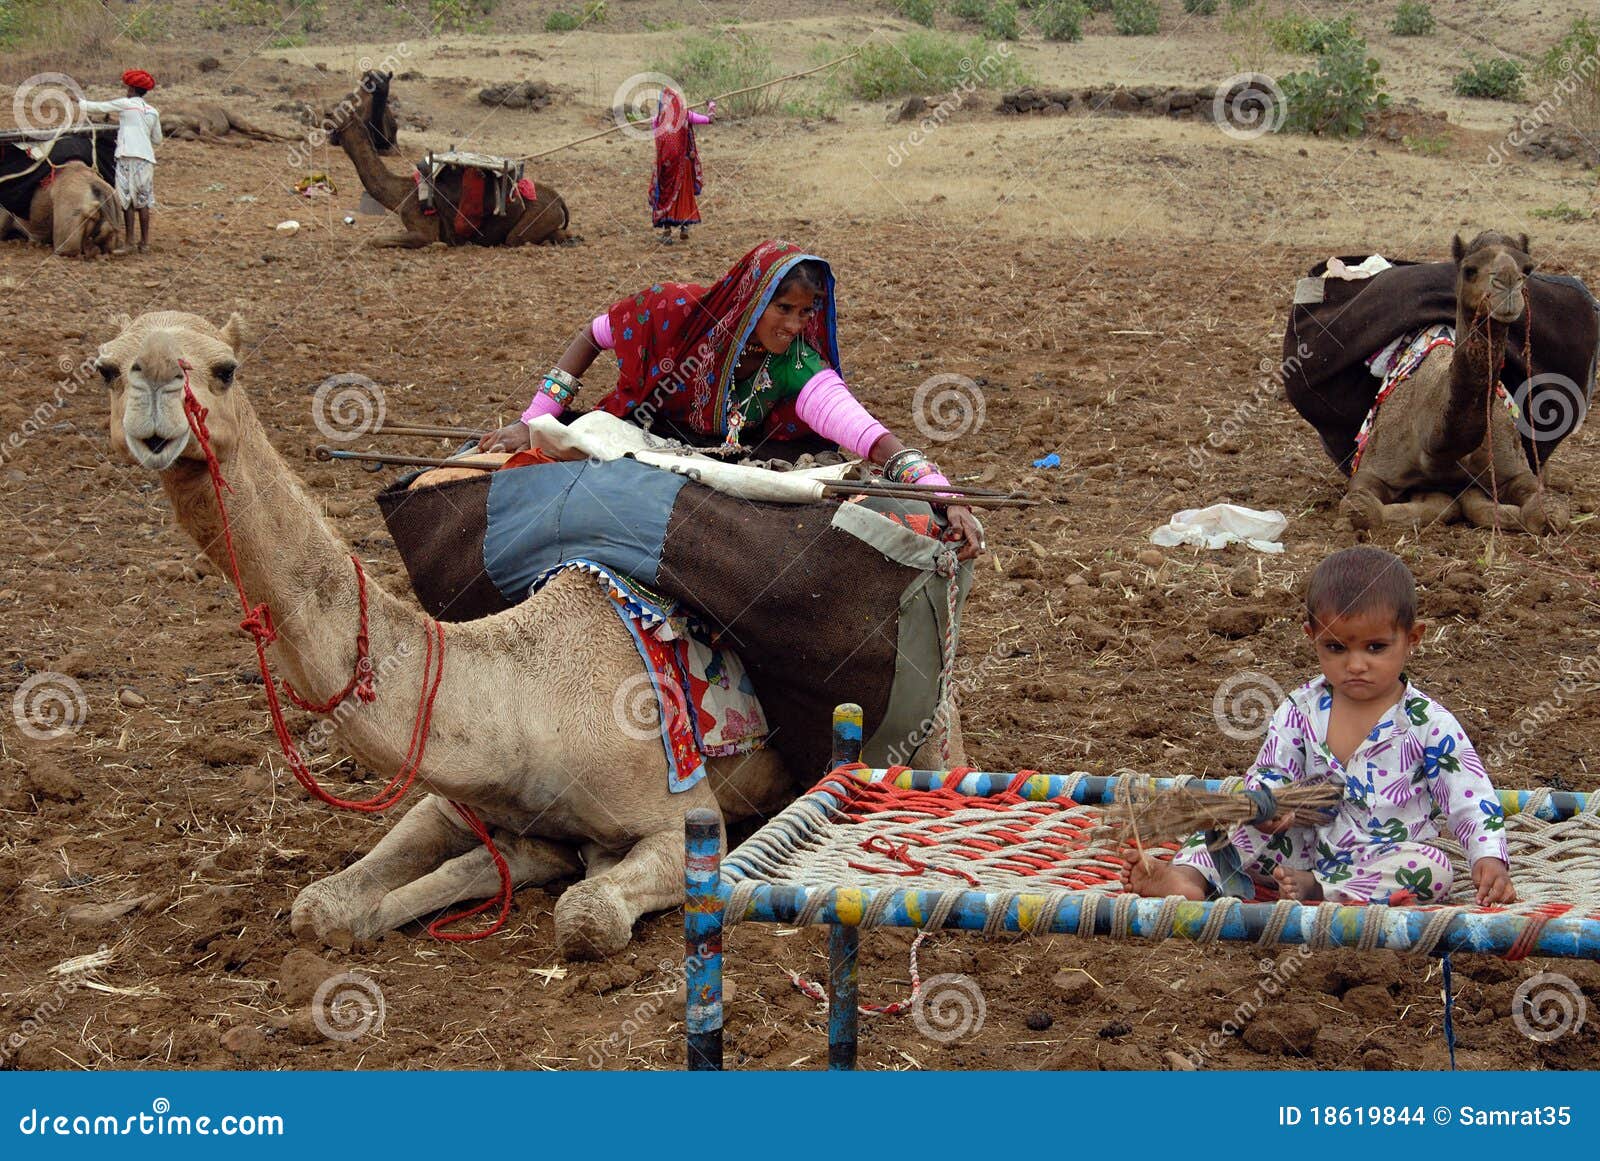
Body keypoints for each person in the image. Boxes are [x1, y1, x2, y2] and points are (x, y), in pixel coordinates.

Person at [479, 238, 985, 559]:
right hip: (632, 439)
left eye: (806, 313)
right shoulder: (676, 312)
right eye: (783, 308)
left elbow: (869, 436)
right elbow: (592, 336)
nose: (794, 326)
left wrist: (944, 496)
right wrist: (534, 419)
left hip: (715, 467)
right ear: (752, 301)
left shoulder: (796, 366)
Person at [1125, 545, 1515, 907]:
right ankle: (1188, 876)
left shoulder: (1428, 723)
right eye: (1336, 648)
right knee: (1231, 823)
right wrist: (1268, 806)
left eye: (1375, 647)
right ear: (1312, 638)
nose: (1356, 664)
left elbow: (1469, 796)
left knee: (1433, 868)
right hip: (1299, 847)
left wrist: (1488, 856)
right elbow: (1272, 769)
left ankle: (1320, 889)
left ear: (1412, 638)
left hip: (1379, 858)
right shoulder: (1301, 708)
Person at [77, 69, 162, 254]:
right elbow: (157, 139)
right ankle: (145, 243)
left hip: (126, 156)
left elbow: (99, 107)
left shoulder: (125, 104)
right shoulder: (153, 111)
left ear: (131, 89)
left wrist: (78, 102)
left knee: (127, 200)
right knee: (144, 200)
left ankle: (129, 242)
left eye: (128, 88)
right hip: (146, 159)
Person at [650, 88, 712, 245]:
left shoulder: (658, 119)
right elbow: (708, 120)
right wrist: (711, 105)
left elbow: (655, 134)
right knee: (684, 195)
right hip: (684, 164)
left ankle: (667, 233)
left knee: (666, 196)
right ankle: (684, 228)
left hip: (666, 165)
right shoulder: (686, 115)